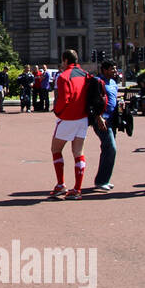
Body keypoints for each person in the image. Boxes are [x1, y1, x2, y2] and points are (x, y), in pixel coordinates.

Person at [49, 49, 92, 199]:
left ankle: (61, 184)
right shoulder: (85, 74)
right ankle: (77, 189)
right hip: (83, 118)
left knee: (55, 149)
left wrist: (57, 111)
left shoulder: (63, 77)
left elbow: (64, 99)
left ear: (65, 60)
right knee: (78, 153)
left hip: (68, 118)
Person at [92, 61, 119, 191]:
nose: (115, 71)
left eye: (115, 69)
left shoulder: (113, 83)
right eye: (112, 69)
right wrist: (98, 117)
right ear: (104, 70)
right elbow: (92, 100)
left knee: (107, 148)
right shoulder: (97, 82)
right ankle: (102, 180)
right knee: (111, 148)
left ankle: (102, 179)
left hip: (112, 120)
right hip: (102, 120)